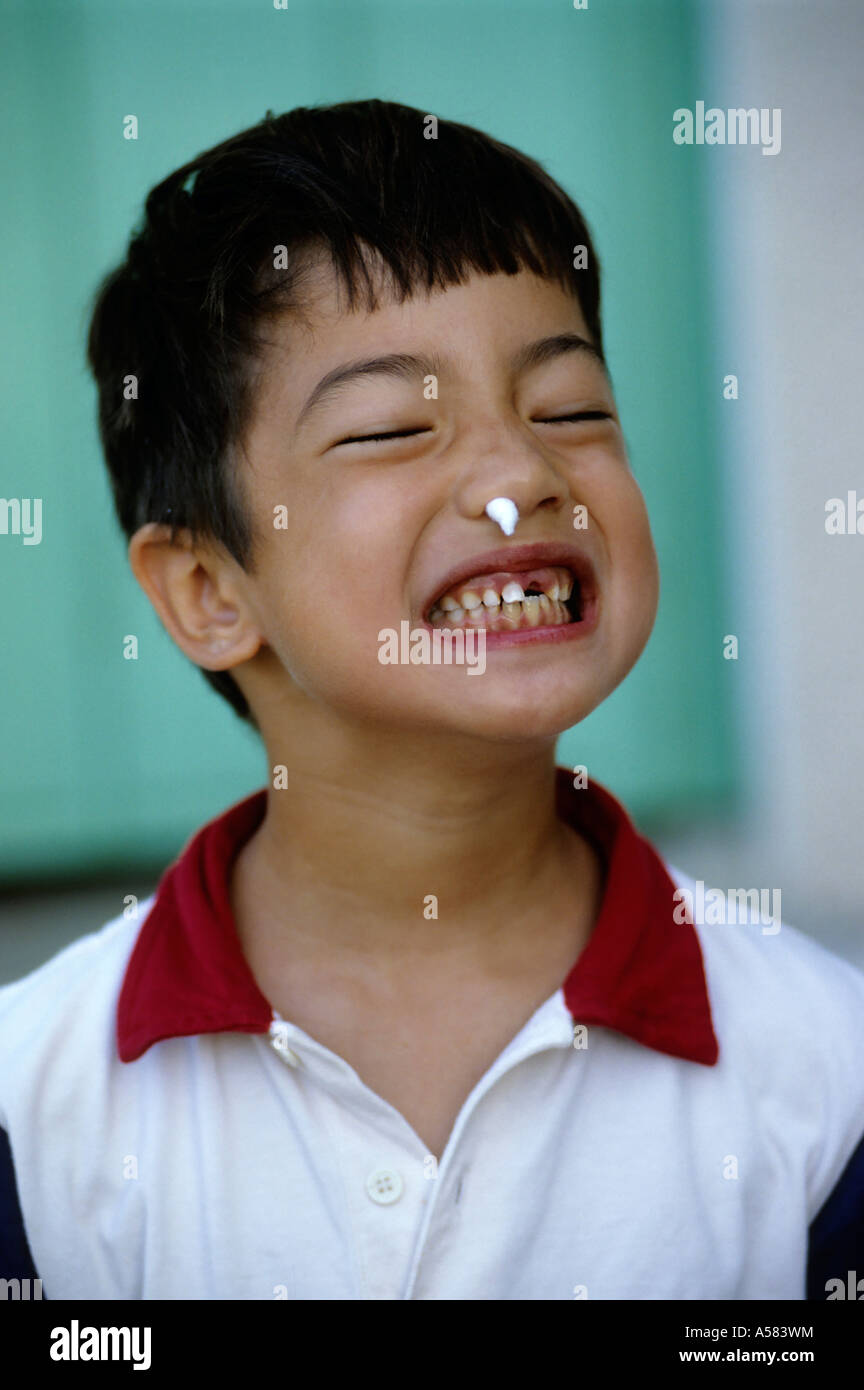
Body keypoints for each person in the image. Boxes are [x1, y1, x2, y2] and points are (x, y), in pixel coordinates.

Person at [1, 100, 862, 1300]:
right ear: (206, 589)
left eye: (570, 410)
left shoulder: (826, 1067)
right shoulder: (36, 1108)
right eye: (394, 428)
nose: (521, 475)